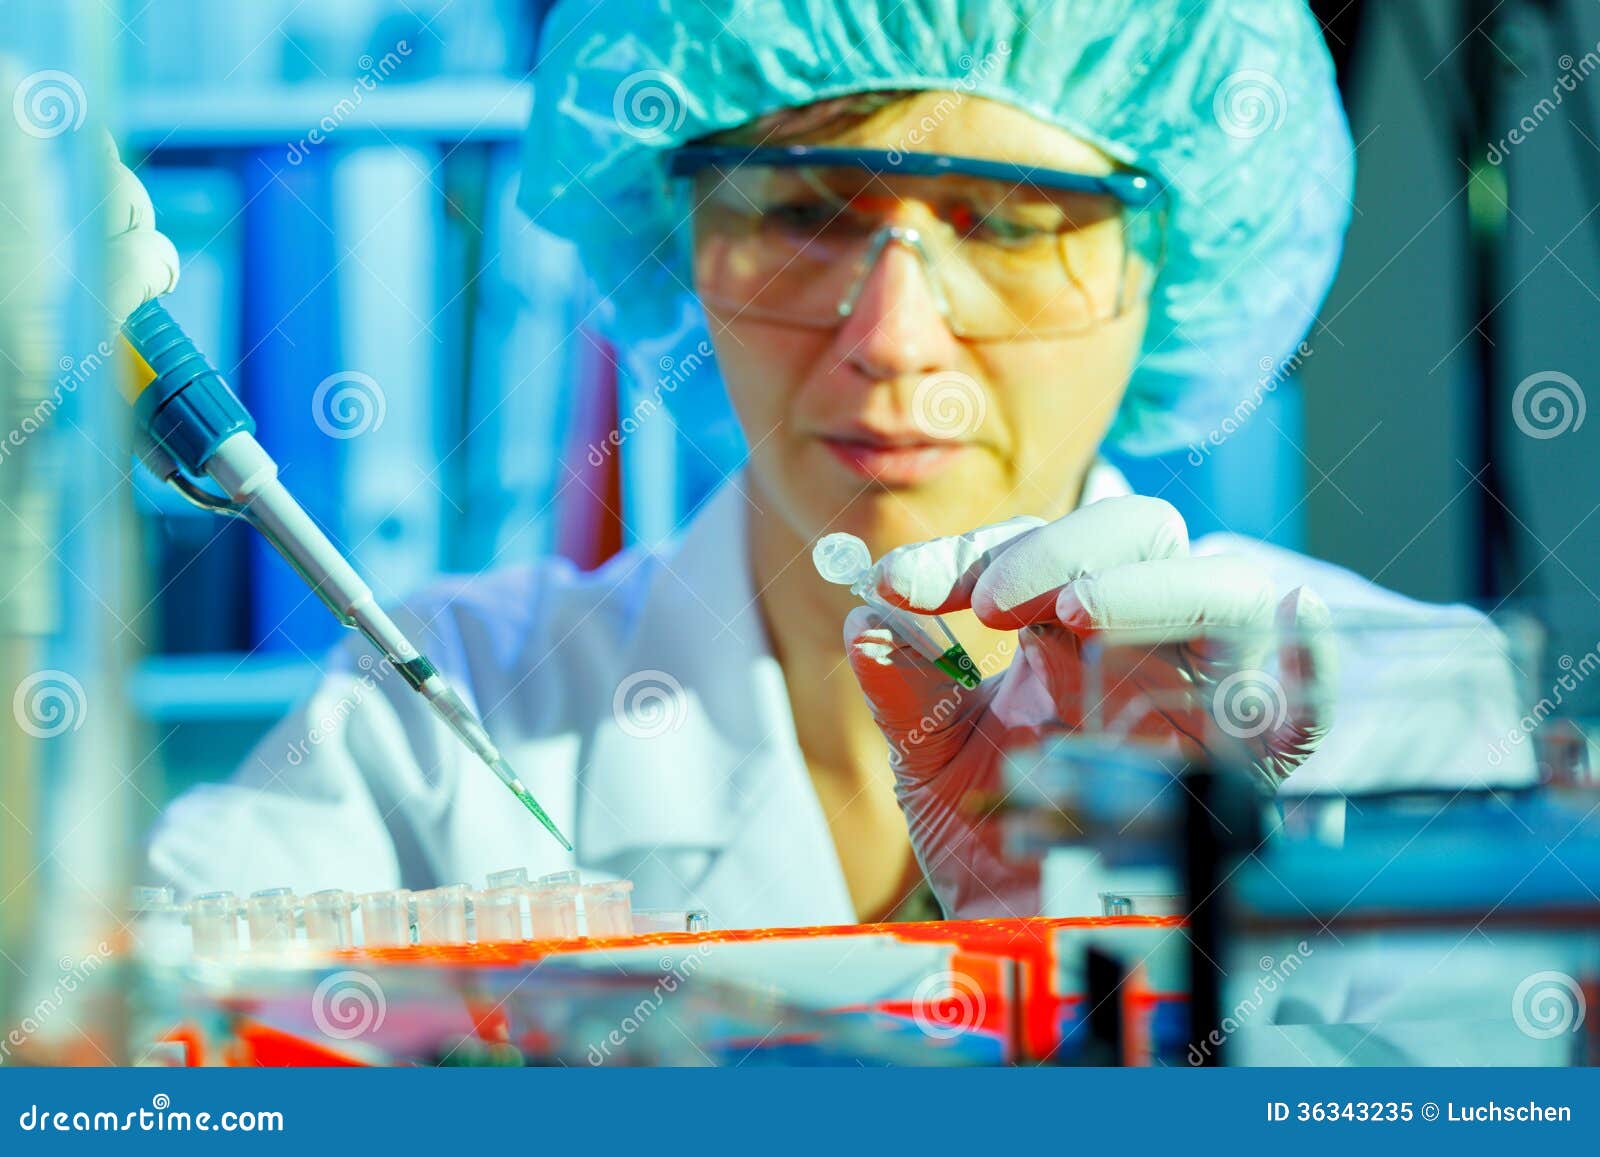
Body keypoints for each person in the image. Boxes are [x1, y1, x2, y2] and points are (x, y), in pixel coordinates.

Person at [137, 0, 1528, 928]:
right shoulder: (444, 721)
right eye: (801, 211)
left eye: (1006, 221)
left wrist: (1158, 978)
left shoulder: (1388, 710)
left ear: (1165, 267)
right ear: (676, 243)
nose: (888, 336)